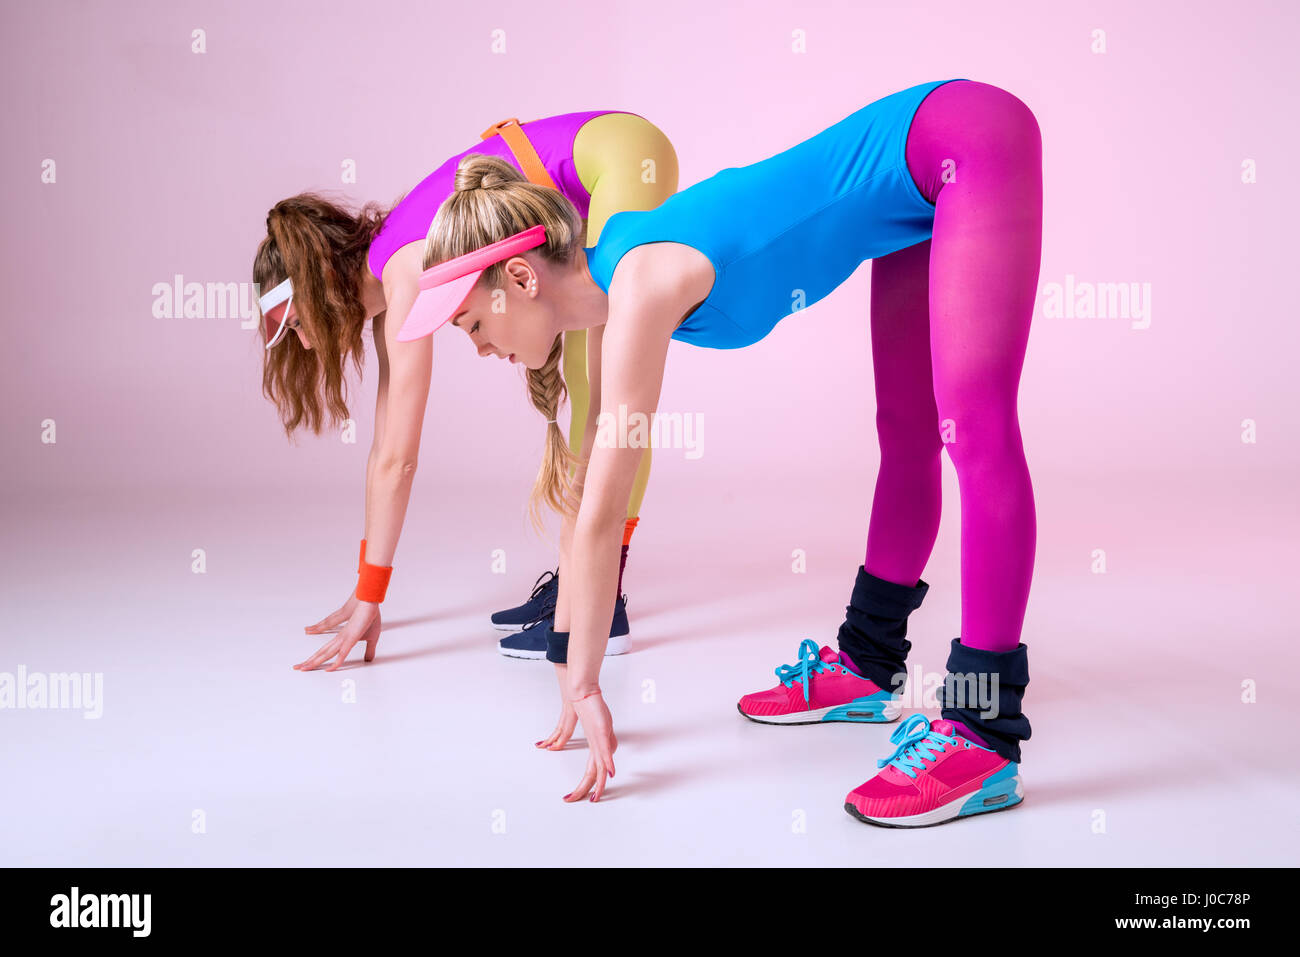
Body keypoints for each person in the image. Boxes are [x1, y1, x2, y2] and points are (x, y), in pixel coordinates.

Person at [401, 79, 1041, 825]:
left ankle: (985, 730)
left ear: (519, 278)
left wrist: (583, 686)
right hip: (911, 197)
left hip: (961, 139)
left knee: (975, 423)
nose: (479, 349)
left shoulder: (638, 283)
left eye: (473, 325)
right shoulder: (621, 280)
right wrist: (571, 663)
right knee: (906, 425)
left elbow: (603, 514)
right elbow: (596, 498)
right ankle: (869, 659)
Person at [251, 112, 678, 671]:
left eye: (291, 322)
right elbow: (385, 451)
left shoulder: (403, 269)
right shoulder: (389, 286)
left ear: (315, 285)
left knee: (597, 377)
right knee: (588, 376)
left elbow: (399, 460)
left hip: (620, 158)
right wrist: (368, 591)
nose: (301, 345)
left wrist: (371, 598)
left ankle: (600, 599)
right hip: (602, 163)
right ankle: (580, 584)